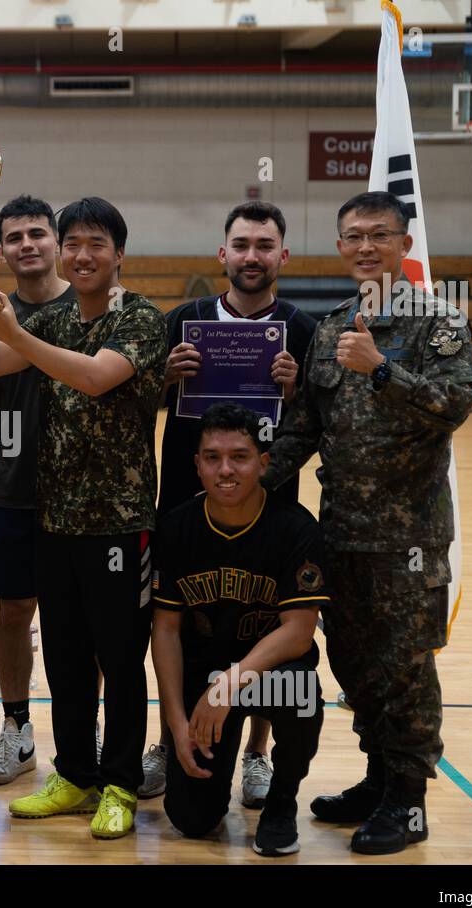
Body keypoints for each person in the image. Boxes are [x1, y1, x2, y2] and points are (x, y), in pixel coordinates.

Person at [262, 191, 472, 855]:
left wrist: (382, 369)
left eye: (379, 235)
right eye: (353, 235)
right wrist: (242, 480)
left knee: (406, 669)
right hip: (342, 534)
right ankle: (378, 776)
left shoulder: (437, 323)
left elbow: (454, 404)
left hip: (409, 540)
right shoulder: (330, 329)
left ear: (404, 244)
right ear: (340, 246)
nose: (365, 246)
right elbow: (305, 428)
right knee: (354, 664)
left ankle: (408, 800)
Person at [0, 197, 166, 839]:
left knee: (121, 658)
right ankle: (76, 775)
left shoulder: (139, 319)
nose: (81, 255)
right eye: (73, 243)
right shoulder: (50, 317)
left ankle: (120, 784)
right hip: (55, 518)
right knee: (68, 659)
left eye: (95, 244)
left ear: (119, 253)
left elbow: (96, 378)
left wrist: (13, 330)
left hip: (119, 523)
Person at [142, 200, 318, 804]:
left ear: (282, 256)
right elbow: (136, 403)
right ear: (223, 254)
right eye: (241, 244)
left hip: (268, 506)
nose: (251, 256)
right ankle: (168, 738)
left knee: (259, 619)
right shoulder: (183, 320)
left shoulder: (304, 329)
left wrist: (295, 392)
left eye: (264, 246)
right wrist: (164, 376)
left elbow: (316, 423)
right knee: (177, 623)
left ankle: (257, 755)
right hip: (184, 501)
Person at [151, 402, 329, 856]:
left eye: (239, 457)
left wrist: (229, 684)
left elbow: (298, 632)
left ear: (263, 463)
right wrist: (175, 723)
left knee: (302, 694)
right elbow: (166, 631)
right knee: (192, 821)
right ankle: (203, 763)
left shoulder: (295, 529)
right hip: (203, 679)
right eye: (212, 457)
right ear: (196, 464)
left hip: (263, 678)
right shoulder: (175, 529)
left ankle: (282, 802)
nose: (225, 470)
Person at [0, 195, 76, 785]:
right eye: (14, 237)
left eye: (37, 233)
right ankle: (16, 728)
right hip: (13, 492)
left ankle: (83, 736)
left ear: (56, 242)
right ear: (1, 250)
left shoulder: (89, 307)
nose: (27, 244)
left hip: (83, 497)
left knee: (76, 621)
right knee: (14, 612)